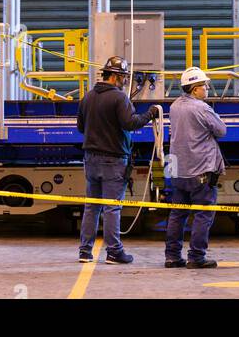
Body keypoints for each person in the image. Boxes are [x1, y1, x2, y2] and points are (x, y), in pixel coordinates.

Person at [76, 56, 160, 264]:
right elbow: (130, 123)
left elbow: (81, 127)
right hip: (113, 161)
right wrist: (150, 113)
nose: (125, 80)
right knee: (112, 207)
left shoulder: (87, 97)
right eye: (123, 76)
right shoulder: (119, 98)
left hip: (91, 159)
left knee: (92, 206)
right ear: (114, 76)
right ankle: (114, 251)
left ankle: (85, 251)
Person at [164, 66, 226, 270]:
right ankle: (196, 257)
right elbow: (221, 130)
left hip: (178, 170)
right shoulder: (201, 108)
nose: (206, 89)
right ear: (194, 88)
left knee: (177, 214)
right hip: (200, 169)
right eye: (204, 85)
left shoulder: (174, 106)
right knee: (203, 214)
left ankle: (172, 256)